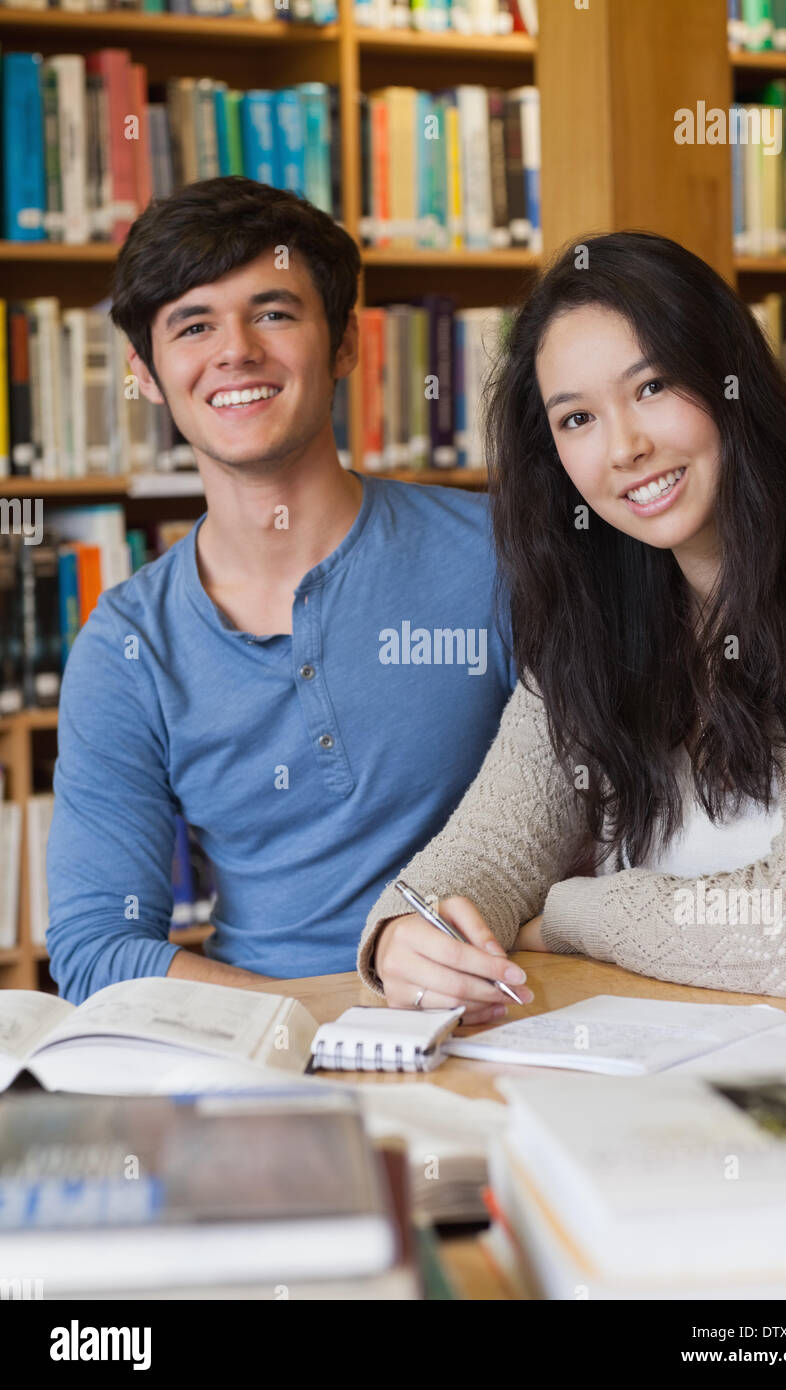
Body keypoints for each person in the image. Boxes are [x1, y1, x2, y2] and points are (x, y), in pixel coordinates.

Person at [359, 229, 786, 1018]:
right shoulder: (591, 614)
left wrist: (569, 916)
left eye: (654, 386)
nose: (625, 448)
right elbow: (493, 846)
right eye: (576, 420)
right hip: (661, 1070)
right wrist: (403, 933)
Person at [46, 175, 524, 1005]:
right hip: (263, 1052)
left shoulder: (502, 556)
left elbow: (610, 816)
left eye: (272, 313)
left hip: (498, 1014)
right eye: (193, 325)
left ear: (343, 344)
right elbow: (96, 947)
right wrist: (324, 1021)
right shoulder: (127, 645)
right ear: (149, 374)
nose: (235, 350)